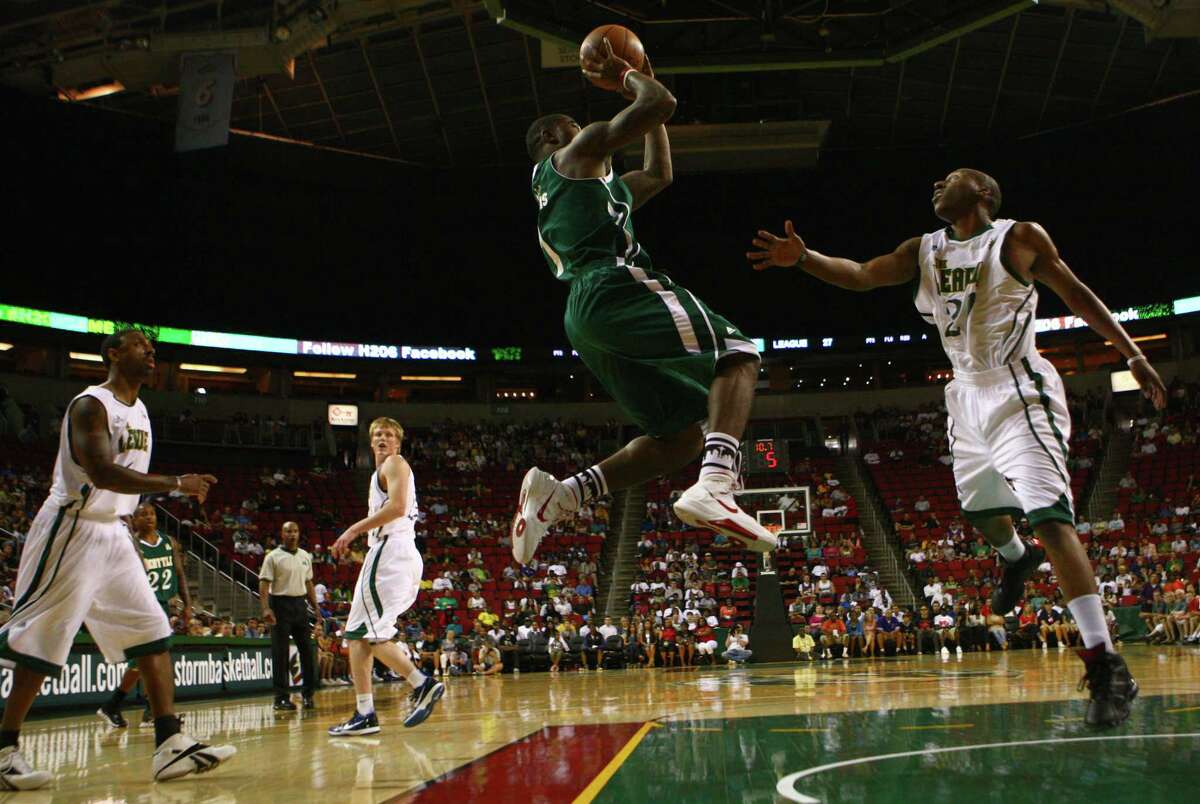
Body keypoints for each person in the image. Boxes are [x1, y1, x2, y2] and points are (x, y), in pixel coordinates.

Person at [749, 168, 1165, 728]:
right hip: (964, 394)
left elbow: (1077, 294)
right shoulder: (923, 249)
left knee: (1048, 516)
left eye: (951, 179)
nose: (936, 186)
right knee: (983, 513)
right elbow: (861, 275)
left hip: (1018, 388)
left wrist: (1131, 352)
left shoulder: (1019, 238)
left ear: (985, 194)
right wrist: (804, 259)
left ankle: (1105, 662)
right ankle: (1018, 561)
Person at [511, 39, 777, 566]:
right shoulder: (573, 154)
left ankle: (564, 495)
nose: (588, 126)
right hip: (614, 286)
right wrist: (630, 75)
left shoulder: (588, 187)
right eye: (574, 122)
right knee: (738, 352)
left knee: (678, 438)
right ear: (551, 137)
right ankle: (718, 483)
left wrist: (645, 84)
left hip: (585, 315)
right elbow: (660, 103)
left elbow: (659, 174)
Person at [0, 329, 235, 788]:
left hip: (112, 533)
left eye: (152, 347)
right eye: (137, 345)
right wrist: (175, 483)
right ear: (112, 354)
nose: (150, 351)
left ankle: (169, 744)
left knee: (152, 630)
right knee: (40, 640)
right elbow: (103, 472)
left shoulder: (141, 409)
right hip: (72, 527)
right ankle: (5, 748)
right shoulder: (90, 405)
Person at [327, 418, 444, 736]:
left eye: (389, 434)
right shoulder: (383, 471)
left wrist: (352, 531)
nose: (382, 437)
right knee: (358, 635)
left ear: (398, 443)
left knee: (367, 633)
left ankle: (422, 683)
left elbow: (397, 507)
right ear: (370, 442)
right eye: (377, 433)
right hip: (397, 553)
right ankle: (365, 713)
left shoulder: (394, 463)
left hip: (390, 552)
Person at [97, 503, 192, 729]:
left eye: (152, 514)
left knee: (144, 661)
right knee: (154, 658)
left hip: (162, 604)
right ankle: (151, 712)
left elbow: (179, 573)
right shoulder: (131, 544)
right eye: (143, 514)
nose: (149, 518)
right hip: (140, 604)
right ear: (134, 519)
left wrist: (188, 604)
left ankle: (117, 706)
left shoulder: (169, 542)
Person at [259, 521, 323, 710]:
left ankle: (308, 695)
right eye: (288, 531)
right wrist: (265, 608)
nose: (292, 534)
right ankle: (281, 698)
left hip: (300, 605)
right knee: (281, 653)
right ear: (282, 534)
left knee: (307, 651)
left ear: (298, 533)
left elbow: (309, 582)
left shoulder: (305, 556)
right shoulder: (273, 557)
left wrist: (315, 606)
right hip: (279, 604)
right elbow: (263, 583)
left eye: (295, 531)